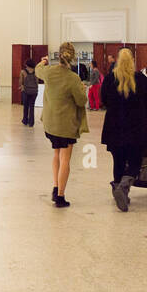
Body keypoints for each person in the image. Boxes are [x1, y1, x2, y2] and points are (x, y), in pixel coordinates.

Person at [100, 48, 147, 212]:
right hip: (137, 128)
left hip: (114, 127)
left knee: (118, 160)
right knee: (135, 161)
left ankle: (119, 189)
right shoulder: (140, 79)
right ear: (132, 61)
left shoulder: (110, 79)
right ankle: (124, 187)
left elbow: (103, 99)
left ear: (118, 61)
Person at [36, 44, 88, 208]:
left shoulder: (48, 72)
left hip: (51, 124)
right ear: (72, 58)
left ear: (58, 56)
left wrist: (43, 61)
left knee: (56, 154)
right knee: (65, 159)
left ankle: (55, 186)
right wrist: (82, 89)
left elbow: (38, 70)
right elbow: (81, 101)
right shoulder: (73, 78)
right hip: (66, 126)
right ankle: (60, 196)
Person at [20, 58, 40, 126]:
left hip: (26, 91)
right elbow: (37, 81)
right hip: (34, 91)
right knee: (32, 106)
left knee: (25, 106)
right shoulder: (36, 72)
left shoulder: (23, 72)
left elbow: (21, 82)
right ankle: (31, 122)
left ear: (26, 64)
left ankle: (25, 120)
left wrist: (22, 87)